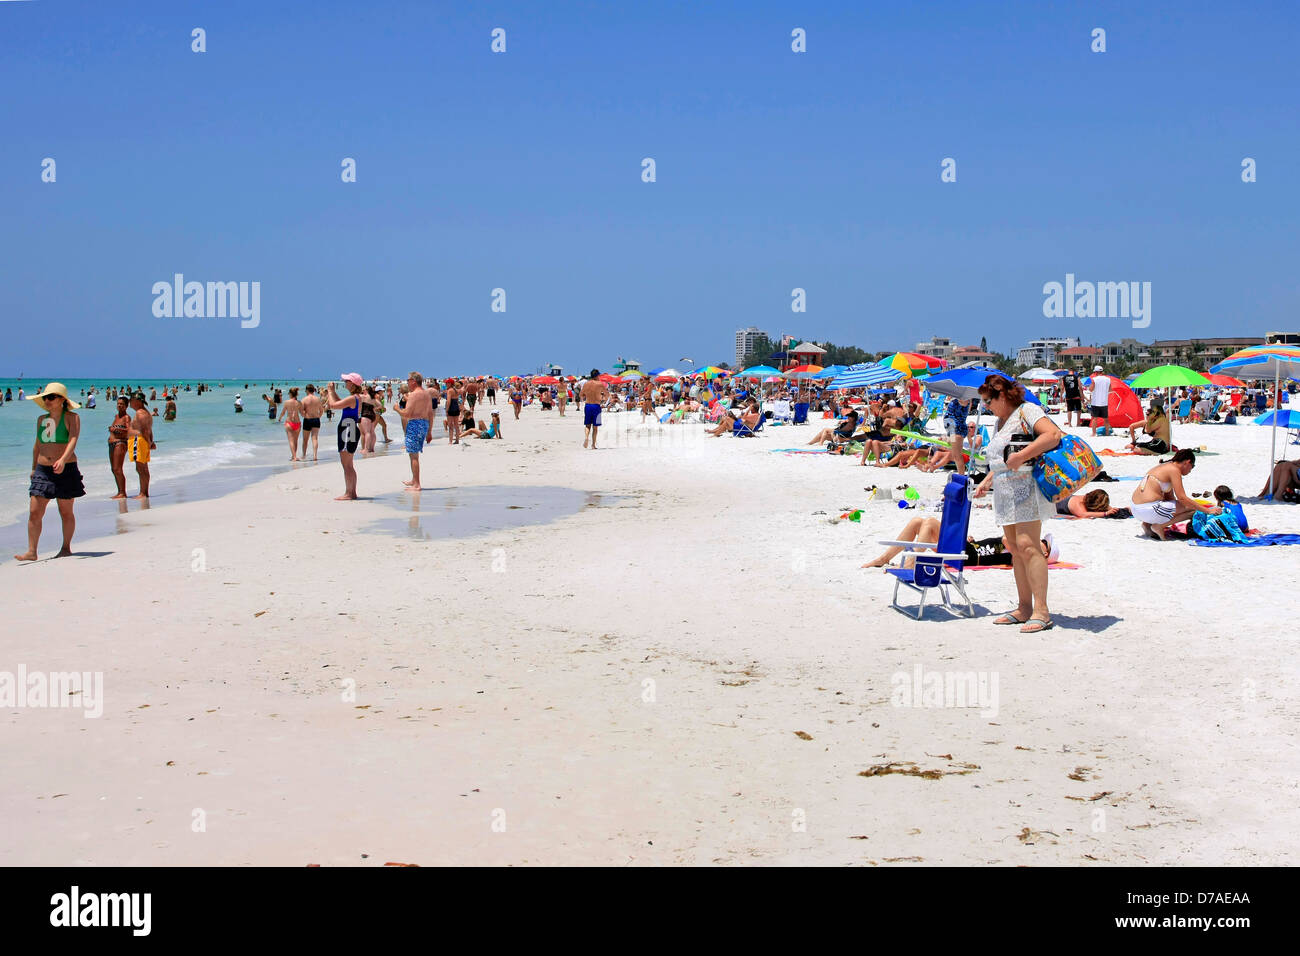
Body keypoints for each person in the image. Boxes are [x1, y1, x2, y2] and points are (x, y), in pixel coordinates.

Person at [971, 375, 1063, 633]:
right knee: (1013, 547)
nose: (986, 406)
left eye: (988, 401)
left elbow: (1053, 435)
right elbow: (1002, 459)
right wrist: (988, 479)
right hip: (1004, 490)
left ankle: (1041, 610)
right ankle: (1024, 608)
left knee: (1029, 545)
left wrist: (1022, 455)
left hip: (1027, 488)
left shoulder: (1027, 410)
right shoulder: (1000, 421)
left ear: (1002, 395)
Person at [15, 383, 85, 561]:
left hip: (66, 468)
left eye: (51, 397)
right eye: (45, 397)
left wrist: (62, 459)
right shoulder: (41, 419)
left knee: (65, 511)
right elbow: (37, 445)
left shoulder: (72, 417)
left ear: (62, 399)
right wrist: (33, 468)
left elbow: (73, 439)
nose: (47, 400)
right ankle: (32, 551)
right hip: (42, 470)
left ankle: (65, 547)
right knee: (34, 511)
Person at [861, 515, 1058, 570]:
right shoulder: (1023, 547)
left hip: (965, 556)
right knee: (917, 522)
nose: (1038, 541)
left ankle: (912, 564)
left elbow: (1006, 540)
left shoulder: (1023, 556)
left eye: (1043, 543)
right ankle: (883, 559)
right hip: (966, 547)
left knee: (929, 522)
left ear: (1046, 554)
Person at [1131, 449, 1219, 539]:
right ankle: (1159, 526)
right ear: (1187, 462)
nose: (1190, 471)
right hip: (1149, 509)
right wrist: (1208, 510)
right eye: (1192, 466)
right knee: (1193, 509)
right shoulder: (1174, 470)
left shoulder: (1165, 467)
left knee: (1182, 506)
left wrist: (1175, 515)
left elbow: (1169, 499)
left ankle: (1147, 525)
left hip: (1136, 509)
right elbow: (1182, 498)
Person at [326, 374, 369, 500]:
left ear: (353, 383)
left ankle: (349, 493)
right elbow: (340, 403)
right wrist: (333, 392)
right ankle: (351, 492)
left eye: (347, 380)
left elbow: (333, 406)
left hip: (347, 429)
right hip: (350, 428)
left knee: (347, 465)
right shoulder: (355, 398)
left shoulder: (353, 398)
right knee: (348, 464)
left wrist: (329, 391)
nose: (344, 382)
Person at [399, 372, 434, 491]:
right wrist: (429, 431)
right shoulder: (426, 394)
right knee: (413, 454)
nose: (407, 382)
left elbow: (407, 413)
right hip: (424, 424)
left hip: (415, 424)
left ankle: (417, 484)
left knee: (413, 455)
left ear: (413, 381)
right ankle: (414, 479)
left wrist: (397, 409)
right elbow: (430, 414)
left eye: (408, 380)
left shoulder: (414, 395)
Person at [127, 393, 154, 498]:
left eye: (131, 400)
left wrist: (149, 442)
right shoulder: (145, 412)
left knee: (141, 468)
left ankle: (143, 493)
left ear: (137, 401)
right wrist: (151, 442)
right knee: (143, 468)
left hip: (138, 441)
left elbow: (145, 430)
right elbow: (149, 430)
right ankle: (144, 492)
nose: (129, 402)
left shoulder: (140, 413)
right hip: (140, 441)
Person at [108, 396, 131, 499]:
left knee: (118, 469)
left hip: (120, 443)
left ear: (126, 406)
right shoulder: (116, 416)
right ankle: (119, 491)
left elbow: (129, 431)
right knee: (113, 469)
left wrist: (115, 430)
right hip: (112, 443)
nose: (119, 405)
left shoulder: (126, 417)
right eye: (118, 403)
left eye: (122, 404)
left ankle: (122, 492)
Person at [581, 371, 609, 449]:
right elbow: (607, 394)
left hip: (588, 405)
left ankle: (586, 438)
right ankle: (593, 445)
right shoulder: (600, 384)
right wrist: (603, 399)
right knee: (595, 427)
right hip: (596, 406)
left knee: (587, 425)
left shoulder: (586, 384)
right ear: (597, 376)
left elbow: (581, 394)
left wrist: (586, 396)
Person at [1056, 489, 1120, 518]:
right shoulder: (1077, 504)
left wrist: (1114, 510)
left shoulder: (1089, 498)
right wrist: (1105, 514)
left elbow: (1105, 506)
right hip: (1052, 504)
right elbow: (1083, 515)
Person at [300, 384, 324, 460]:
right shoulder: (317, 399)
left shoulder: (304, 399)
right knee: (315, 438)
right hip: (316, 419)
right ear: (313, 390)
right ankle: (315, 456)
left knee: (305, 439)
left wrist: (305, 416)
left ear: (307, 390)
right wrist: (319, 416)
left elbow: (301, 411)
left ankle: (304, 455)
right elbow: (321, 410)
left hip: (307, 419)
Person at [1088, 367, 1111, 435]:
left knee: (1095, 418)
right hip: (1104, 402)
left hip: (1095, 402)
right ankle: (1107, 433)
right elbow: (1110, 390)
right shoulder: (1108, 379)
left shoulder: (1094, 379)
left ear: (1096, 372)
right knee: (1106, 419)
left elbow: (1091, 389)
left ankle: (1093, 433)